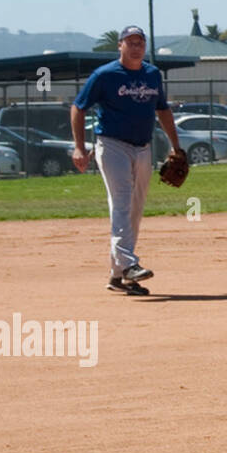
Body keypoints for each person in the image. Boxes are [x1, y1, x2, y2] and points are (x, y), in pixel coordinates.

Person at [70, 25, 183, 296]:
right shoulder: (105, 75)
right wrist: (78, 147)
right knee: (121, 201)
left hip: (143, 148)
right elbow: (78, 107)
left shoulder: (152, 74)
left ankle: (118, 275)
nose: (136, 47)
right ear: (120, 45)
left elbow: (163, 110)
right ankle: (130, 264)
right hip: (111, 145)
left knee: (134, 208)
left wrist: (176, 147)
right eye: (130, 42)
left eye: (140, 42)